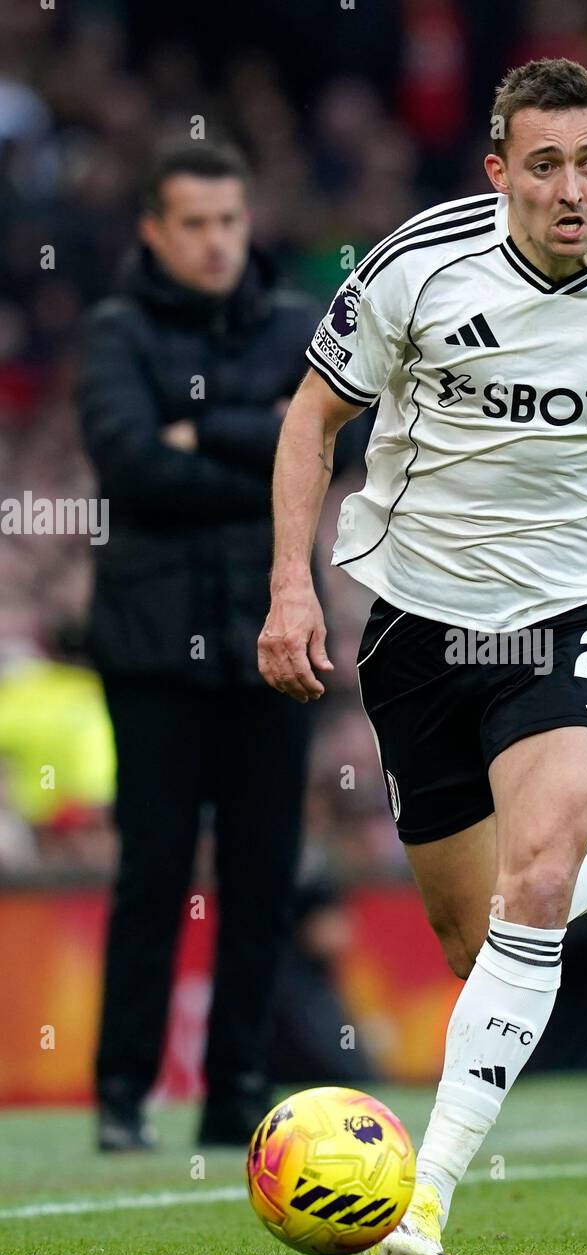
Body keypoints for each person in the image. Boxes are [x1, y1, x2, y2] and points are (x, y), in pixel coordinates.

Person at [258, 59, 587, 1255]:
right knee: (474, 941)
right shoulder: (417, 266)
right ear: (499, 169)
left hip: (570, 624)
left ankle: (428, 1194)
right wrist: (293, 581)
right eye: (543, 164)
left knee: (534, 890)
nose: (570, 188)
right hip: (414, 628)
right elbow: (312, 418)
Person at [80, 141, 321, 1150]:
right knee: (155, 870)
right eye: (195, 223)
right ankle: (123, 1096)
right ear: (154, 229)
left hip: (273, 638)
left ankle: (237, 1093)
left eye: (230, 219)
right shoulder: (115, 331)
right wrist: (261, 435)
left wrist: (200, 432)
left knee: (265, 877)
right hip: (152, 646)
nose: (218, 241)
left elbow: (329, 450)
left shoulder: (300, 324)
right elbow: (134, 467)